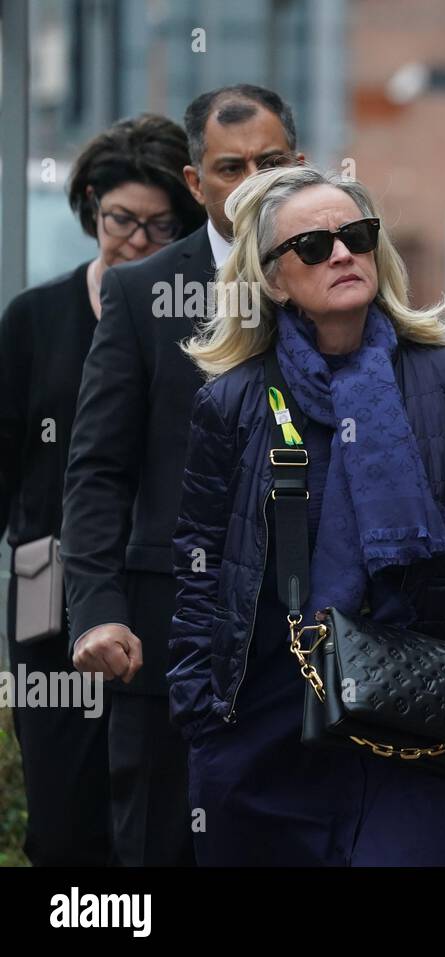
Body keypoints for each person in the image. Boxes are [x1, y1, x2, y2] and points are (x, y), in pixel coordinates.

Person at [168, 165, 445, 866]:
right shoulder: (235, 400)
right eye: (312, 246)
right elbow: (201, 570)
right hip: (268, 727)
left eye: (355, 236)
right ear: (272, 277)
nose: (340, 253)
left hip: (414, 717)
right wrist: (201, 719)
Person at [60, 84, 304, 866]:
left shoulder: (335, 281)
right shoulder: (140, 294)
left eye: (270, 162)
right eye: (231, 167)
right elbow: (98, 469)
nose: (253, 181)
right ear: (196, 183)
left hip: (304, 642)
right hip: (165, 642)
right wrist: (96, 608)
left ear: (297, 167)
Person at [0, 114, 203, 866]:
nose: (140, 243)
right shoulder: (35, 319)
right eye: (123, 220)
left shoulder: (190, 316)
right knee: (64, 819)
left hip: (155, 593)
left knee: (152, 820)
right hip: (47, 592)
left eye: (162, 226)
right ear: (89, 204)